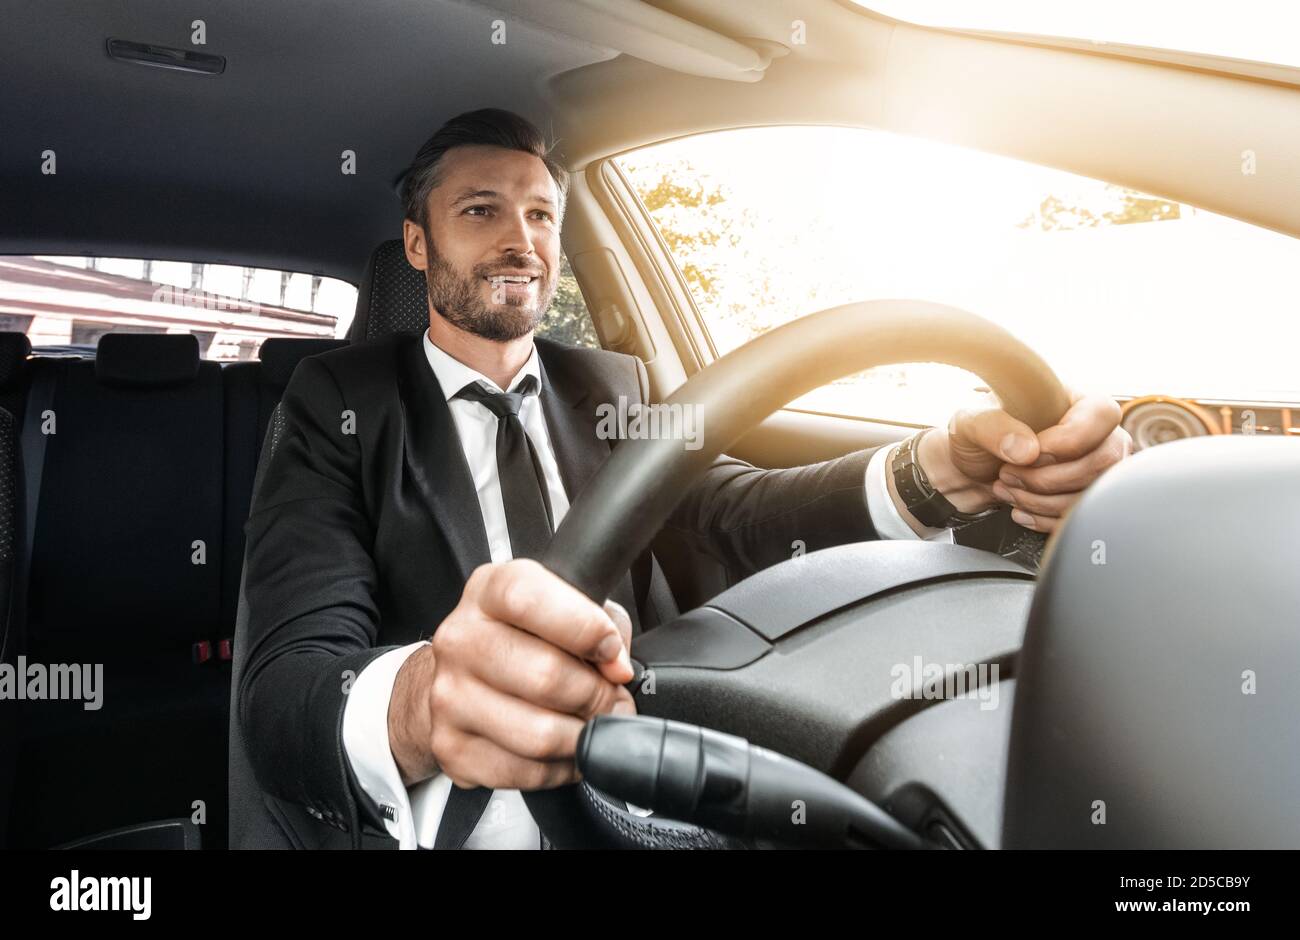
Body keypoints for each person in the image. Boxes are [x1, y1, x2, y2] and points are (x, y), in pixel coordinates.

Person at [236, 108, 1129, 849]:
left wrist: (938, 472)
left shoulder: (611, 386)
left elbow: (739, 512)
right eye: (480, 211)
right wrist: (429, 703)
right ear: (417, 246)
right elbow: (288, 684)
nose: (521, 240)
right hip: (449, 802)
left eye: (542, 215)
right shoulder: (337, 402)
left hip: (642, 769)